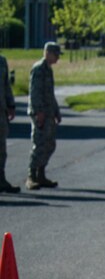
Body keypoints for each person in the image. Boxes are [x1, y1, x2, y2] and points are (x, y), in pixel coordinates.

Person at [26, 41, 61, 191]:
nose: (57, 58)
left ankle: (41, 173)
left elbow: (50, 93)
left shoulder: (48, 70)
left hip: (48, 113)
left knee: (50, 144)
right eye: (56, 54)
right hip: (40, 113)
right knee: (39, 144)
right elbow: (35, 93)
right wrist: (38, 112)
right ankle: (31, 176)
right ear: (48, 53)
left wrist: (56, 111)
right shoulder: (38, 69)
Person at [0, 51, 19, 194]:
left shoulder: (2, 61)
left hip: (1, 110)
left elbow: (6, 85)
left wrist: (11, 104)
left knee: (2, 148)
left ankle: (1, 180)